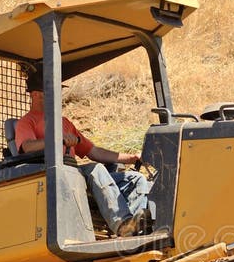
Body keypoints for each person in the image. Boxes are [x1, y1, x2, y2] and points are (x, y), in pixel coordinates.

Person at [15, 72, 149, 237]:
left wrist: (131, 157)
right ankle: (122, 225)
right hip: (54, 176)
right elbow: (27, 147)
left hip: (75, 176)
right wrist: (58, 140)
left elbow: (94, 151)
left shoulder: (64, 122)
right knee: (96, 170)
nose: (58, 95)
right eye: (53, 90)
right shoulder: (27, 122)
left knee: (135, 179)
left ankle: (137, 228)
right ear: (36, 94)